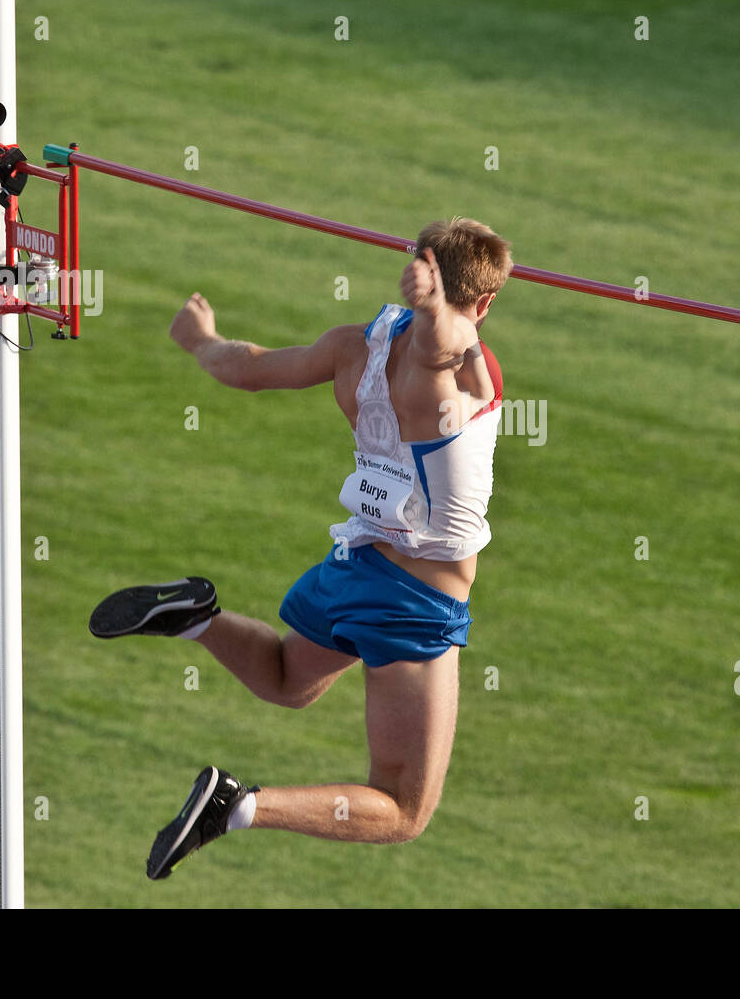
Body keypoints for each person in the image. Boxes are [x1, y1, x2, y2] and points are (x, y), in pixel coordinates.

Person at [88, 218, 512, 880]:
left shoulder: (354, 349)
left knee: (288, 678)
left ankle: (195, 616)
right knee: (404, 809)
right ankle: (237, 805)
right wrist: (435, 307)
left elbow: (252, 369)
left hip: (354, 568)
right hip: (416, 603)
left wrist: (200, 339)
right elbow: (443, 352)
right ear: (484, 303)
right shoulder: (466, 369)